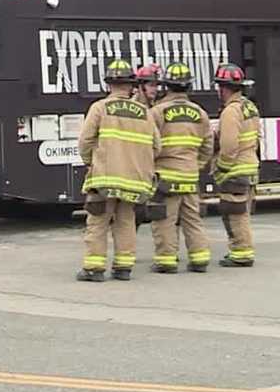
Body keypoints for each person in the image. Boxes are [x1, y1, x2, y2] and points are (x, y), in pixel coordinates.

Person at [76, 59, 161, 282]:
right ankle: (123, 268)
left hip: (104, 178)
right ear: (132, 86)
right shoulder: (145, 112)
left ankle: (94, 268)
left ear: (108, 84)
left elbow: (85, 142)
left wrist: (90, 162)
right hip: (134, 180)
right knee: (125, 221)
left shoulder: (100, 108)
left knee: (98, 222)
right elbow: (157, 146)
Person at [148, 62, 214, 273]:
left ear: (166, 86)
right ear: (189, 87)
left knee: (164, 220)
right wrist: (196, 166)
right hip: (190, 176)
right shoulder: (200, 114)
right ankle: (200, 259)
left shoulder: (157, 112)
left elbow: (149, 144)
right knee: (192, 220)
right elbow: (208, 146)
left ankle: (166, 261)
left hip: (165, 178)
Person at [211, 63, 260, 267]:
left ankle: (241, 253)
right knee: (243, 213)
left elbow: (229, 145)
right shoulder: (249, 106)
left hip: (235, 171)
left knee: (234, 214)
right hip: (250, 167)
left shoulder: (231, 111)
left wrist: (221, 167)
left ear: (224, 88)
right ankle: (243, 250)